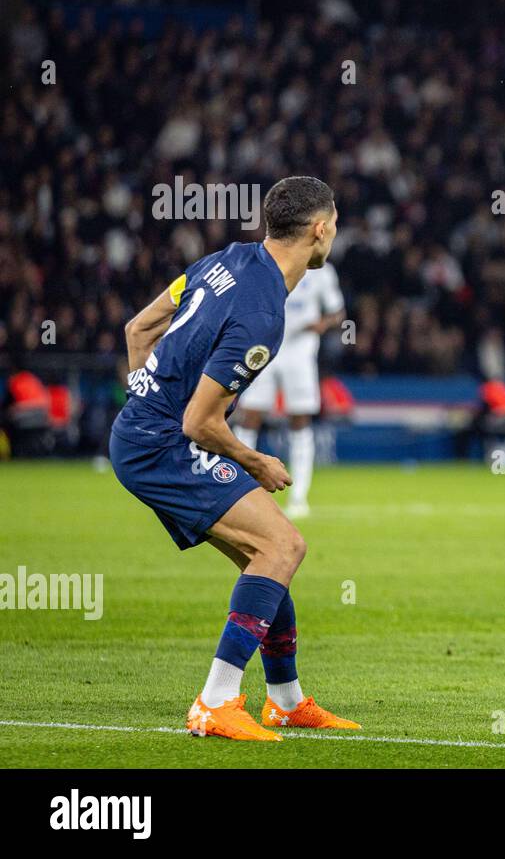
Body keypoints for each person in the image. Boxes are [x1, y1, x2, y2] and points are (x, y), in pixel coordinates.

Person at [110, 176, 358, 741]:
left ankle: (286, 702)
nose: (335, 231)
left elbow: (138, 329)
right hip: (161, 444)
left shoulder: (222, 261)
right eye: (335, 222)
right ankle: (214, 702)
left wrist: (146, 395)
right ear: (320, 229)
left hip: (146, 432)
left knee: (266, 557)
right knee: (284, 545)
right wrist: (257, 462)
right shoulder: (263, 313)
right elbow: (200, 422)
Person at [232, 261, 345, 519]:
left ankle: (298, 498)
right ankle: (238, 491)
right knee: (249, 416)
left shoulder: (322, 271)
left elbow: (338, 313)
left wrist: (321, 324)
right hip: (265, 347)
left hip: (300, 352)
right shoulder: (269, 262)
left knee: (300, 419)